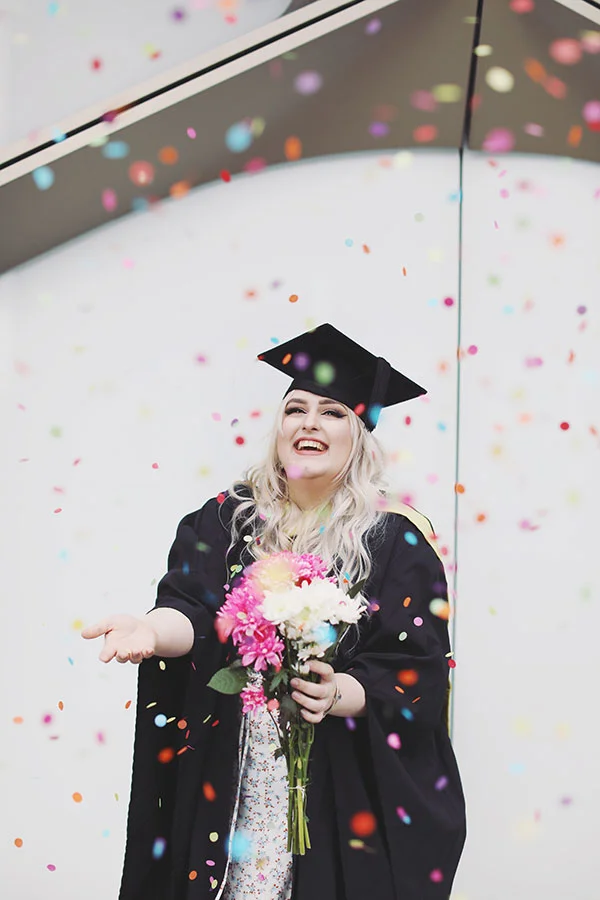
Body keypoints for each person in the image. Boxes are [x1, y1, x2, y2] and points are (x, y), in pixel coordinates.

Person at [82, 323, 467, 900]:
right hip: (234, 774)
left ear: (360, 436)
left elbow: (413, 673)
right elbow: (191, 609)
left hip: (337, 790)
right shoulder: (225, 520)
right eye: (296, 409)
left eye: (332, 412)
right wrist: (150, 631)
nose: (309, 422)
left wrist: (337, 691)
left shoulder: (396, 542)